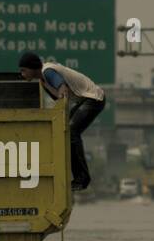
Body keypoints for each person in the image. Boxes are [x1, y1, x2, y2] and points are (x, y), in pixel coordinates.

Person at [18, 52, 106, 191]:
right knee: (63, 131)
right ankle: (67, 173)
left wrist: (61, 94)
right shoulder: (43, 81)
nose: (22, 74)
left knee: (71, 132)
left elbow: (62, 88)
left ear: (33, 67)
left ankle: (82, 178)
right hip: (83, 100)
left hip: (93, 98)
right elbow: (59, 102)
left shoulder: (47, 71)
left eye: (24, 70)